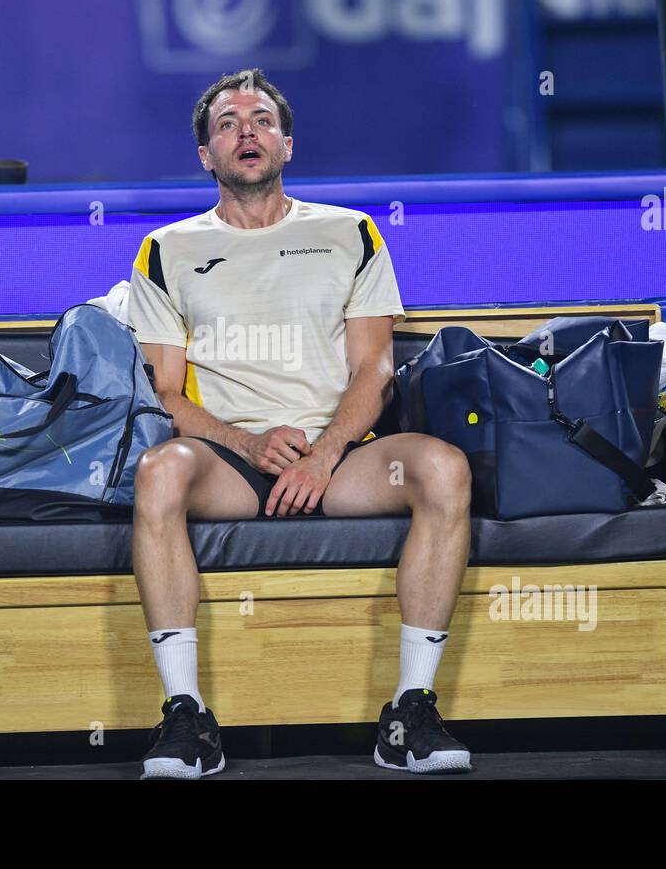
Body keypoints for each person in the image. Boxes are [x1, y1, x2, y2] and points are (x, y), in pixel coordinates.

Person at [127, 68, 473, 779]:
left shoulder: (352, 232)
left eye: (260, 119)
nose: (245, 131)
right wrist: (249, 441)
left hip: (339, 454)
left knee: (444, 468)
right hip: (225, 459)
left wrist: (323, 454)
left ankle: (410, 711)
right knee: (158, 472)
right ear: (205, 156)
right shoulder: (165, 249)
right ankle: (186, 717)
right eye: (226, 123)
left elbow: (374, 370)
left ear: (288, 144)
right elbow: (164, 392)